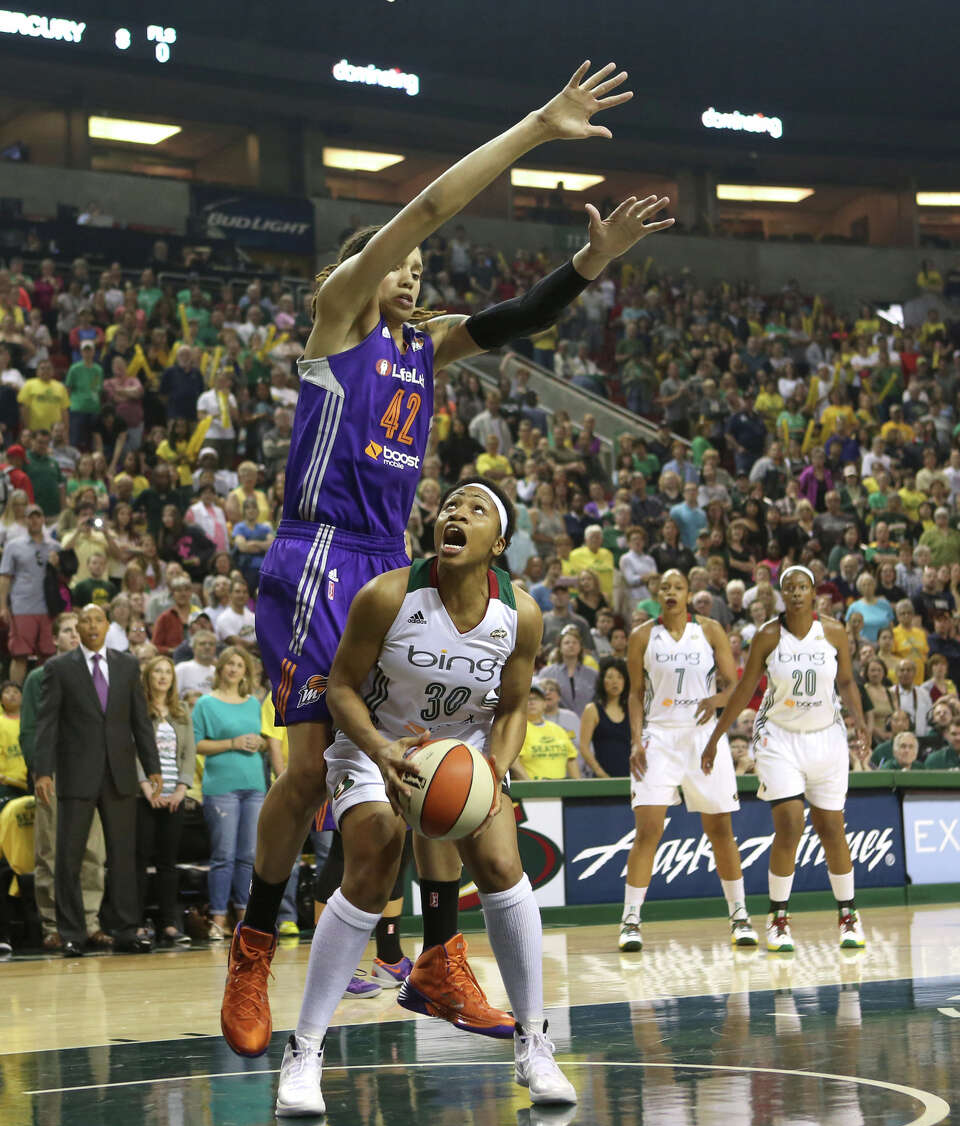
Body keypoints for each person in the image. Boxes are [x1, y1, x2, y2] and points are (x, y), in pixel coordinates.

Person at [223, 59, 673, 1058]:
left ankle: (437, 955)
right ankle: (252, 942)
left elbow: (521, 322)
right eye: (403, 267)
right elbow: (425, 206)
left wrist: (591, 265)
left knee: (437, 752)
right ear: (353, 275)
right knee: (304, 774)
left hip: (392, 558)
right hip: (321, 556)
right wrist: (539, 126)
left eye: (420, 275)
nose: (413, 276)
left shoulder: (424, 351)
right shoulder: (338, 316)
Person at [276, 478, 577, 1116]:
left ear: (498, 541)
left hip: (462, 749)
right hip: (376, 742)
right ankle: (304, 1051)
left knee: (501, 865)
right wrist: (383, 753)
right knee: (375, 857)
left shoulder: (520, 613)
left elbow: (516, 706)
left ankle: (534, 1041)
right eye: (449, 507)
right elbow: (341, 690)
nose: (455, 514)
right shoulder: (388, 595)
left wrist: (494, 769)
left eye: (474, 509)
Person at [701, 565, 870, 953]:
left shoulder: (835, 632)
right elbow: (744, 689)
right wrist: (715, 737)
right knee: (790, 824)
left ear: (814, 594)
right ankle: (778, 917)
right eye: (789, 587)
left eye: (803, 587)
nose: (796, 592)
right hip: (779, 738)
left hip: (827, 737)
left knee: (832, 828)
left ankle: (848, 915)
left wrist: (861, 722)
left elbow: (846, 681)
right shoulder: (768, 636)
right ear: (781, 595)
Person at [622, 569, 758, 953]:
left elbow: (735, 685)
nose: (670, 592)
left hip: (703, 738)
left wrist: (716, 702)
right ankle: (630, 920)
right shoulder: (642, 635)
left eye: (677, 587)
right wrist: (636, 741)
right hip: (659, 737)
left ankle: (740, 915)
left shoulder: (710, 630)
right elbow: (634, 694)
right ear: (657, 594)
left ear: (688, 594)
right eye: (664, 587)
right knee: (648, 829)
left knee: (720, 831)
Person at [33, 604, 161, 956]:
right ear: (77, 626)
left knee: (122, 856)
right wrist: (43, 771)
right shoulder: (58, 668)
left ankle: (125, 930)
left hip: (119, 773)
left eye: (97, 620)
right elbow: (47, 725)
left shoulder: (127, 664)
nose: (91, 626)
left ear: (107, 626)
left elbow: (140, 721)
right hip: (76, 773)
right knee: (69, 856)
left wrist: (152, 767)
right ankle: (72, 933)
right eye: (84, 621)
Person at [193, 647, 267, 941]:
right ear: (221, 668)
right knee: (223, 855)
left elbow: (263, 740)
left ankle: (245, 917)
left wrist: (258, 743)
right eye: (230, 664)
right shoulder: (205, 704)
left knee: (249, 856)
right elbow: (198, 745)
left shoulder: (254, 703)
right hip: (221, 787)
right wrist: (233, 742)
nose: (234, 669)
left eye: (240, 665)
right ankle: (218, 918)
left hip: (254, 785)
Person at [136, 656, 196, 947]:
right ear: (148, 677)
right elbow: (132, 751)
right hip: (144, 796)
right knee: (139, 861)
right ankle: (136, 923)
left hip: (174, 797)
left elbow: (189, 753)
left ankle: (169, 924)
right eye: (157, 672)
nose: (162, 677)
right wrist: (147, 789)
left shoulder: (181, 711)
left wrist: (182, 789)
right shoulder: (138, 710)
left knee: (168, 864)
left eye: (167, 672)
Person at [0, 503, 58, 684]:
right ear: (25, 521)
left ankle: (45, 697)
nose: (34, 520)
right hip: (22, 607)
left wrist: (58, 565)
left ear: (43, 519)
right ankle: (15, 698)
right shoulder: (13, 546)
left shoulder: (55, 547)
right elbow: (5, 578)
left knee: (48, 655)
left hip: (48, 607)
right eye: (30, 517)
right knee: (19, 655)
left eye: (37, 516)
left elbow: (65, 577)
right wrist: (2, 606)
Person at [513, 683, 580, 781]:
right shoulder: (517, 730)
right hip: (533, 789)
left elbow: (571, 758)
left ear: (544, 703)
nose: (531, 702)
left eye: (536, 699)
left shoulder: (558, 730)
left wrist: (577, 786)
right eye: (527, 699)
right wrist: (530, 785)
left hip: (562, 788)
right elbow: (514, 762)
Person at [579, 657, 630, 778]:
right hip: (604, 776)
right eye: (610, 677)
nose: (615, 681)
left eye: (619, 677)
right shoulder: (592, 709)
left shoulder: (631, 710)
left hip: (631, 776)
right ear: (602, 681)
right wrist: (599, 772)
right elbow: (584, 747)